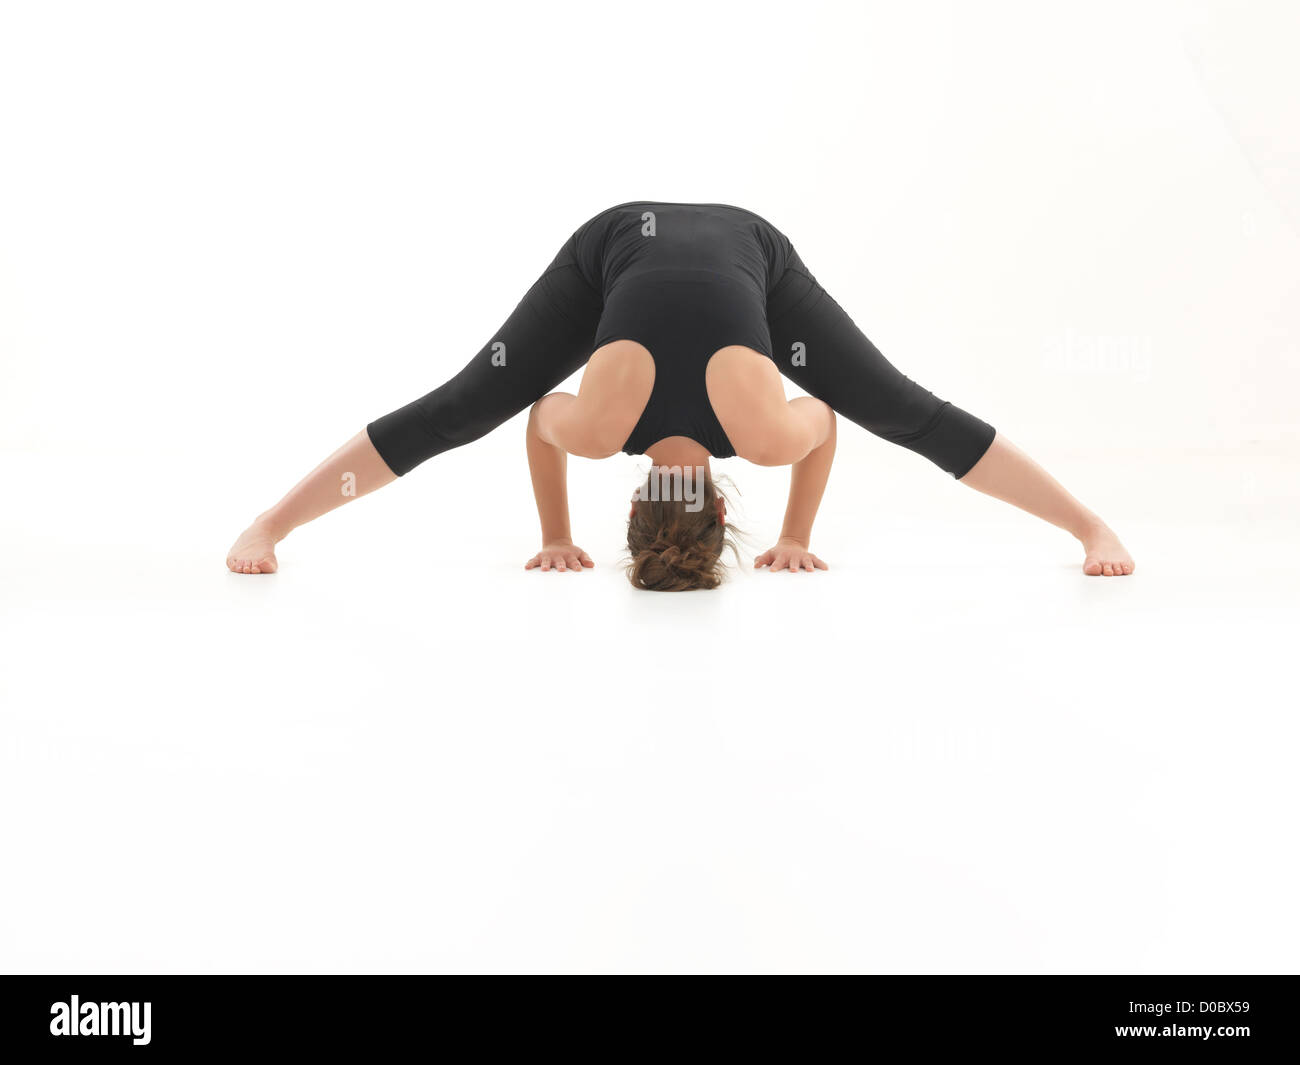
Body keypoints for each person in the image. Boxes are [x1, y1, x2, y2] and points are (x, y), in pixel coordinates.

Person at [226, 201, 1135, 588]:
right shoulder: (601, 429)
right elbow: (545, 426)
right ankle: (269, 524)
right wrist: (555, 534)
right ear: (642, 500)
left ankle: (272, 521)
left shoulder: (762, 440)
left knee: (458, 409)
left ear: (719, 504)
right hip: (692, 251)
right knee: (906, 410)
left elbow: (817, 435)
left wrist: (790, 536)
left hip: (656, 249)